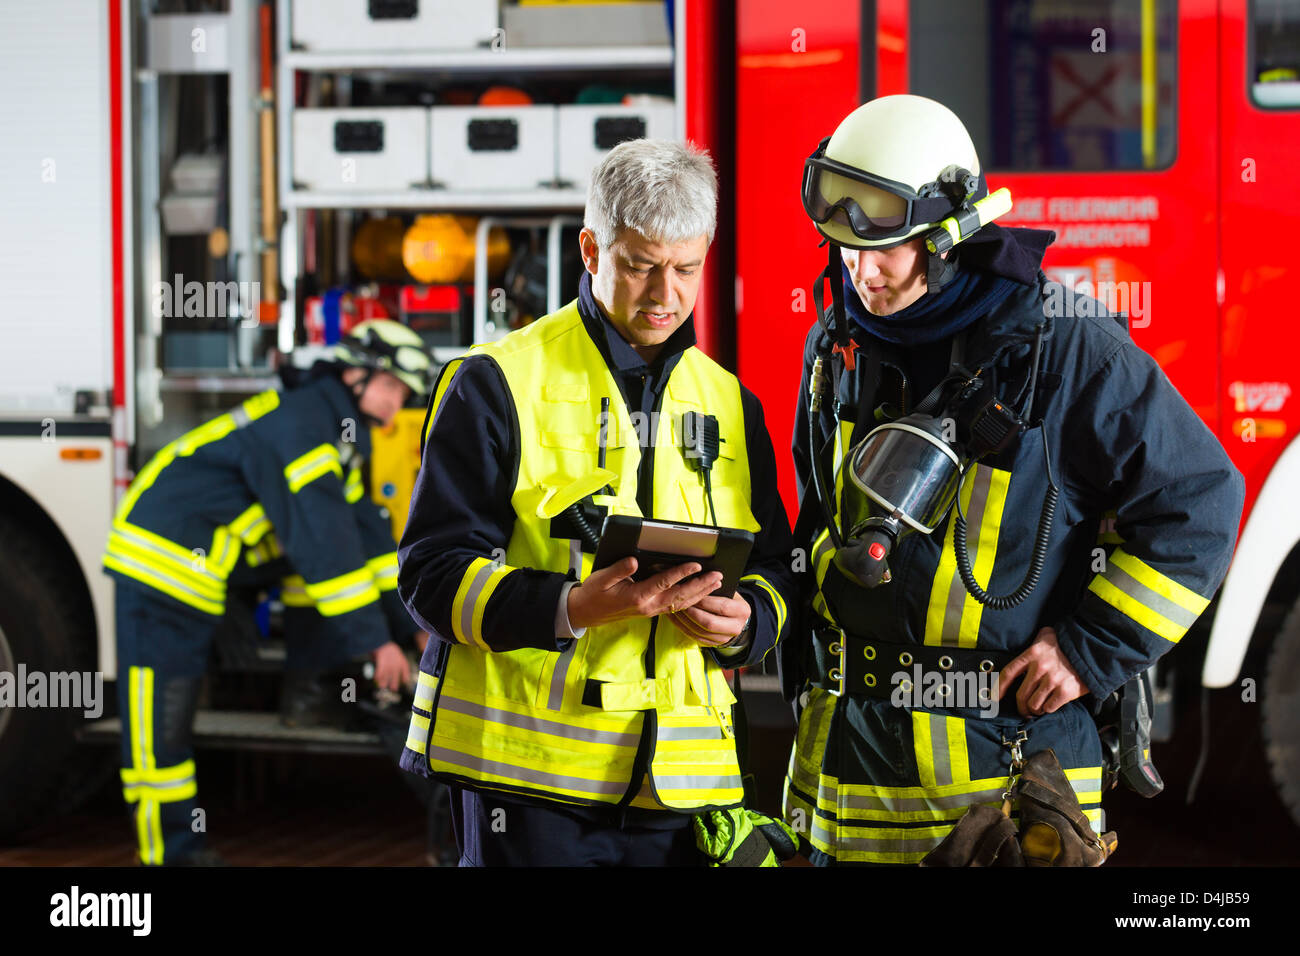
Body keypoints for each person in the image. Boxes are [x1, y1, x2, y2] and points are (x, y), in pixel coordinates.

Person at [782, 95, 1245, 865]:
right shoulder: (836, 346)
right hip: (849, 790)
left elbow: (1200, 501)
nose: (863, 271)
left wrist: (1090, 650)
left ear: (949, 235)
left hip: (1003, 792)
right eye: (843, 248)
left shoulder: (1063, 346)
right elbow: (817, 526)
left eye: (889, 247)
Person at [396, 138, 794, 866]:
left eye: (685, 269)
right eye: (640, 265)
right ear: (590, 249)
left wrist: (746, 622)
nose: (663, 295)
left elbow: (776, 568)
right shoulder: (494, 382)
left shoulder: (733, 404)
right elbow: (431, 575)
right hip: (525, 787)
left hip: (679, 792)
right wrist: (574, 607)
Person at [103, 319, 430, 865]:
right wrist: (378, 645)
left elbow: (364, 538)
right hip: (160, 570)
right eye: (393, 388)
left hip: (199, 573)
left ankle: (179, 852)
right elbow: (326, 550)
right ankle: (170, 857)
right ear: (356, 373)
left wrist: (414, 624)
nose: (398, 406)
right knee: (159, 734)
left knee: (171, 726)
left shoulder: (336, 428)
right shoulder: (309, 425)